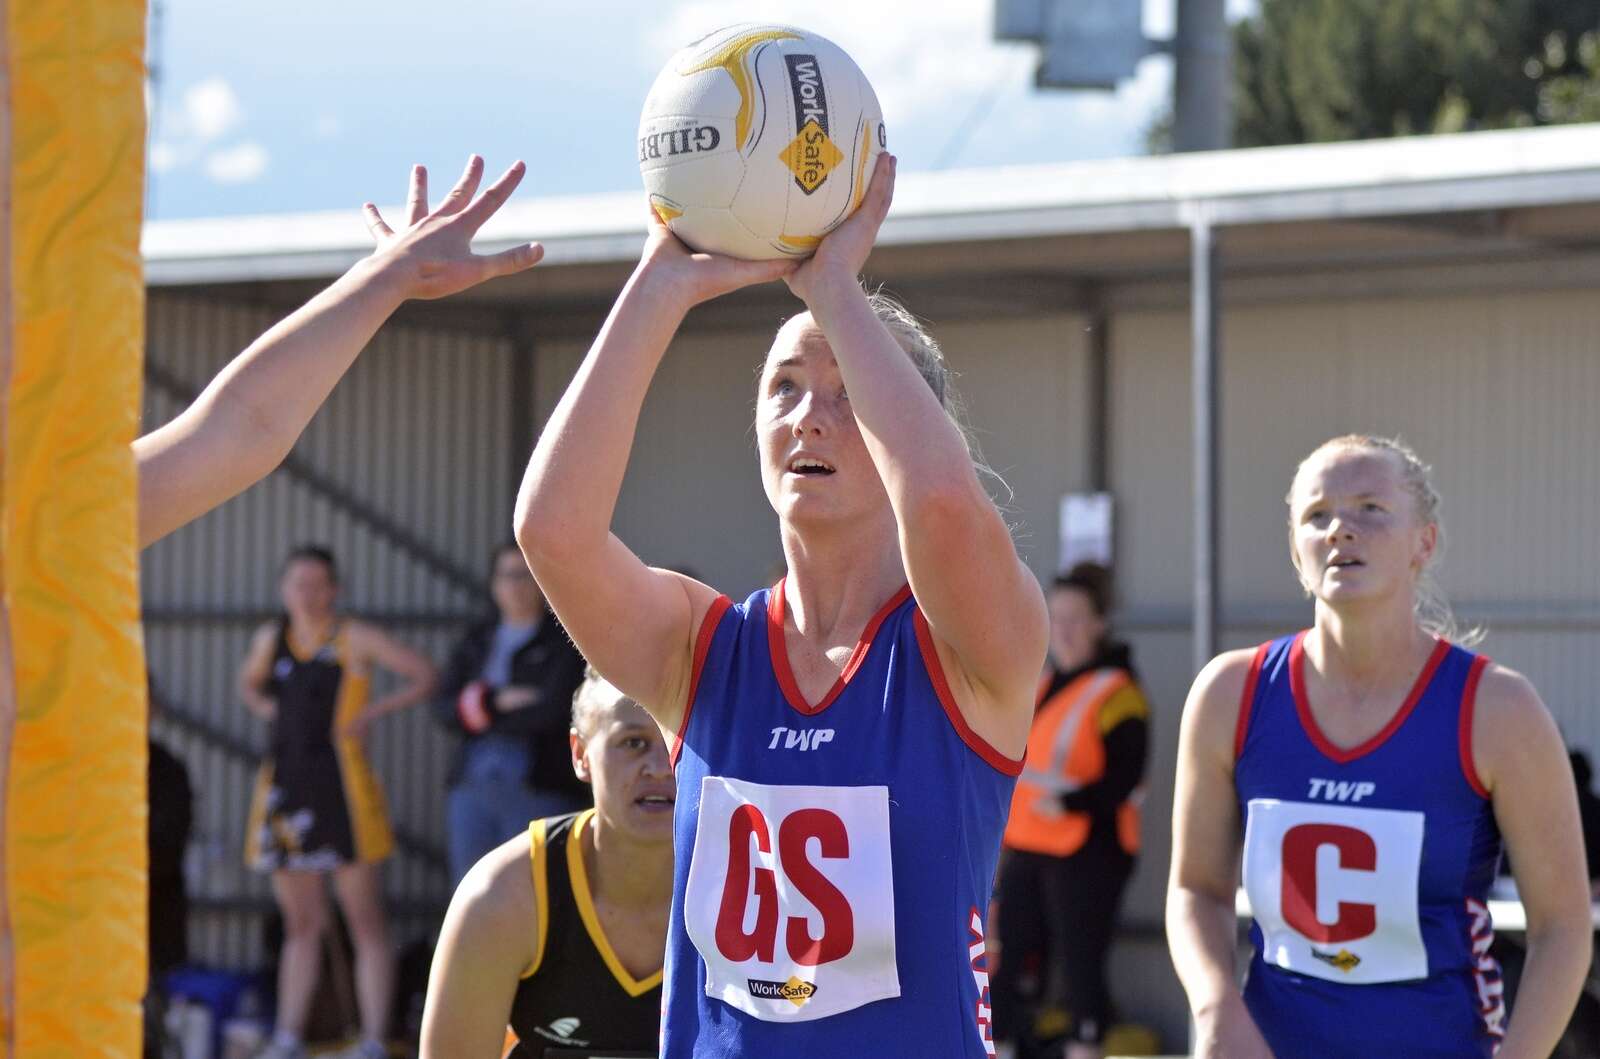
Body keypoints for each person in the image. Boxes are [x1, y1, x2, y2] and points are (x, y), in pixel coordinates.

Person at [514, 153, 1048, 1056]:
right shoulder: (705, 647)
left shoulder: (964, 650)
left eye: (846, 392)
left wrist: (832, 287)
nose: (808, 415)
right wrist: (658, 284)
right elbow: (552, 529)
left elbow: (946, 505)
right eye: (786, 388)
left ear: (906, 425)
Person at [1166, 434, 1593, 1059]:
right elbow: (1195, 888)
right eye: (1318, 514)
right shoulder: (1232, 693)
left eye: (1370, 507)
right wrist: (1214, 1008)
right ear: (1295, 549)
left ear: (1425, 541)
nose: (1342, 529)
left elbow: (1563, 927)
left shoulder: (1498, 710)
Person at [134, 155, 542, 550]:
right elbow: (243, 427)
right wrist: (393, 273)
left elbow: (244, 428)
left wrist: (394, 272)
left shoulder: (81, 500)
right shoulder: (79, 505)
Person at [237, 546, 437, 1059]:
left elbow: (423, 675)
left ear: (334, 590)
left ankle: (372, 1039)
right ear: (284, 589)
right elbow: (249, 683)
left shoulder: (354, 638)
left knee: (364, 920)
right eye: (297, 583)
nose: (306, 593)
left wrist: (371, 713)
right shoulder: (271, 638)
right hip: (285, 791)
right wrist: (267, 709)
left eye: (316, 583)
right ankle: (287, 1037)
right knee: (300, 924)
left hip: (344, 792)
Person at [420, 668, 672, 1058]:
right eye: (633, 742)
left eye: (678, 741)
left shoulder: (759, 887)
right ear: (580, 754)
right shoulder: (502, 896)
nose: (660, 766)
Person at [992, 563, 1149, 1059]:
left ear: (1100, 623)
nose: (1063, 629)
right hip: (1027, 844)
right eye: (1055, 617)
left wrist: (1071, 802)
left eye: (1075, 618)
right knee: (1009, 967)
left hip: (1087, 850)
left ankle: (1087, 1042)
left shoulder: (1118, 692)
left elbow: (1126, 777)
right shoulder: (1043, 684)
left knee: (1082, 970)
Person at [434, 542, 589, 885]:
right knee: (472, 893)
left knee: (541, 892)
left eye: (527, 576)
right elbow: (443, 707)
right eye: (509, 575)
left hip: (539, 787)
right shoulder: (476, 639)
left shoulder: (565, 639)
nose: (518, 585)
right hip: (472, 785)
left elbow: (555, 711)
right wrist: (496, 702)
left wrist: (476, 709)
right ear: (494, 584)